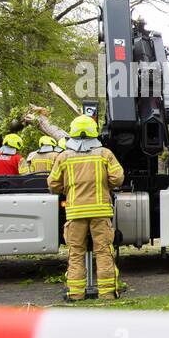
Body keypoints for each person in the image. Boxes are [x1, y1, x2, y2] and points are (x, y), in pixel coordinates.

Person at [47, 115, 124, 301]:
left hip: (75, 213)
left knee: (75, 254)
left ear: (72, 132)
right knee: (104, 251)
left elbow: (52, 184)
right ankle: (107, 294)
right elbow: (118, 178)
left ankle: (75, 294)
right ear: (94, 132)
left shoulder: (63, 157)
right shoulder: (105, 154)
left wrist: (68, 187)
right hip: (100, 212)